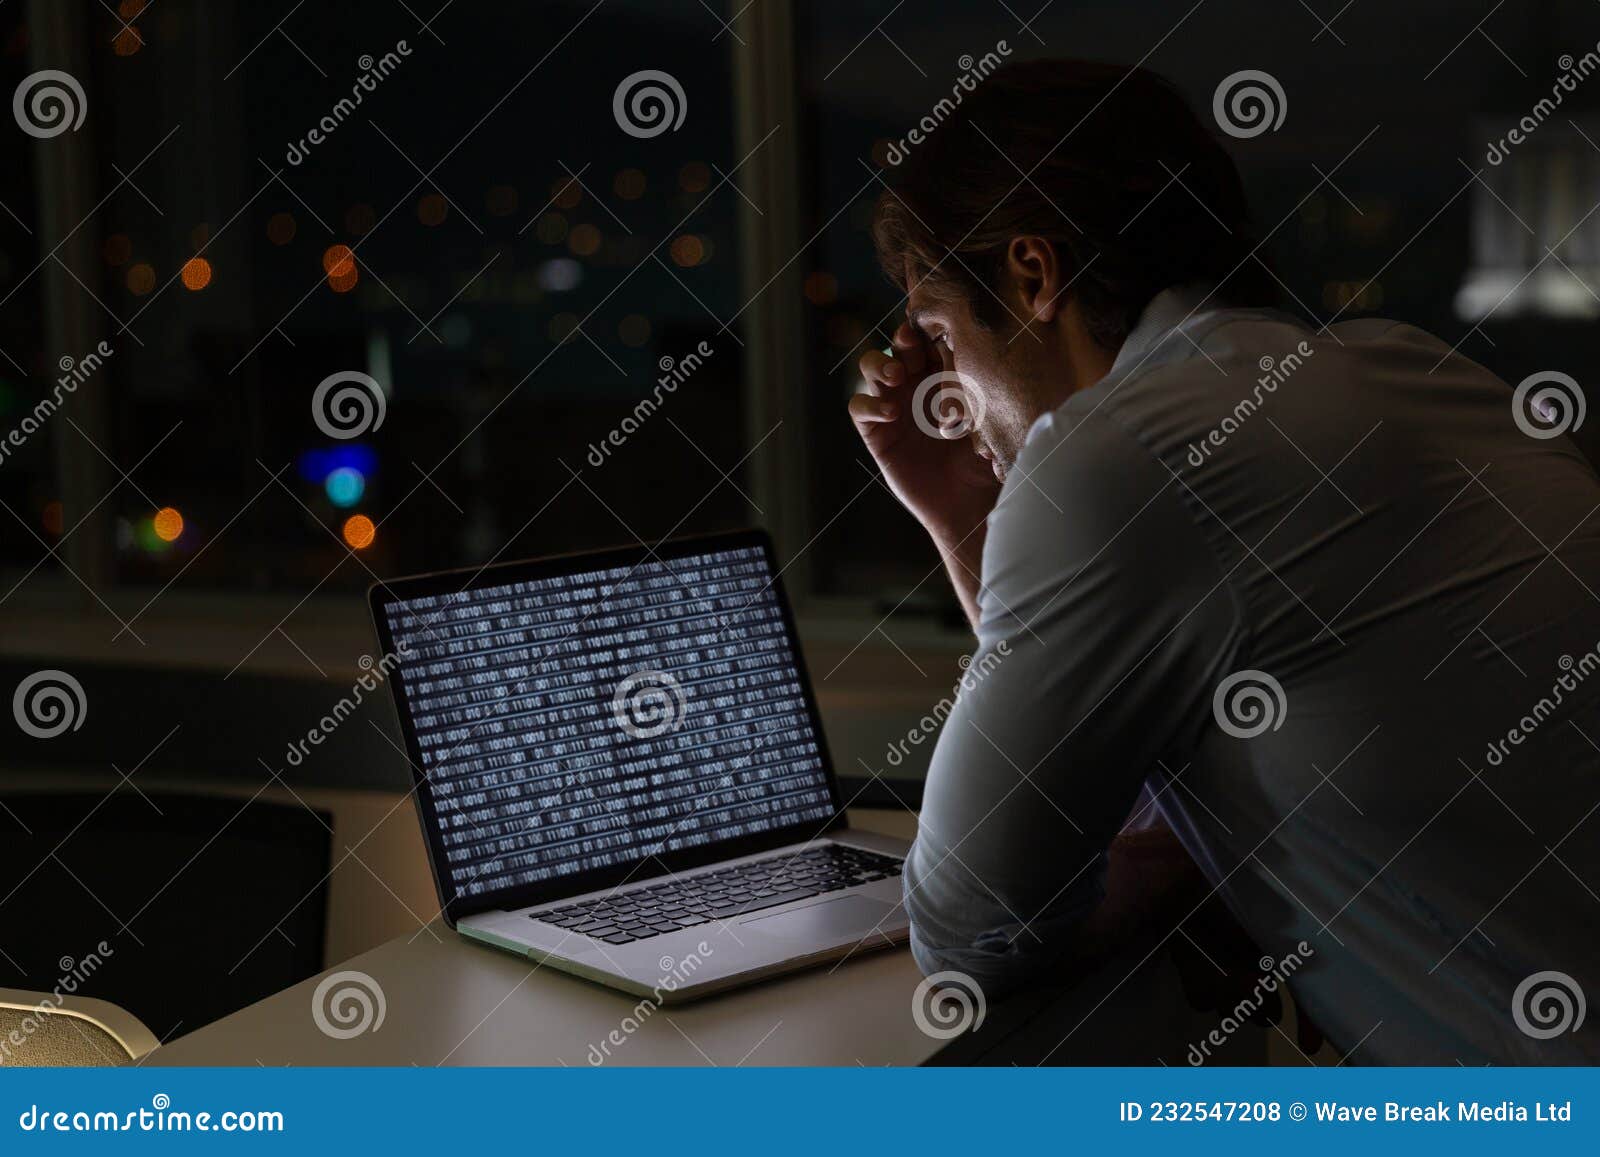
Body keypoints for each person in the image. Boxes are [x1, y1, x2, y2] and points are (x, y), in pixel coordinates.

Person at [852, 59, 1600, 1064]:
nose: (948, 395)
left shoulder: (1118, 452)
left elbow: (969, 930)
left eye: (943, 339)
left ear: (1032, 275)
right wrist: (961, 511)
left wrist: (1167, 865)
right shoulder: (1414, 366)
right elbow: (1089, 737)